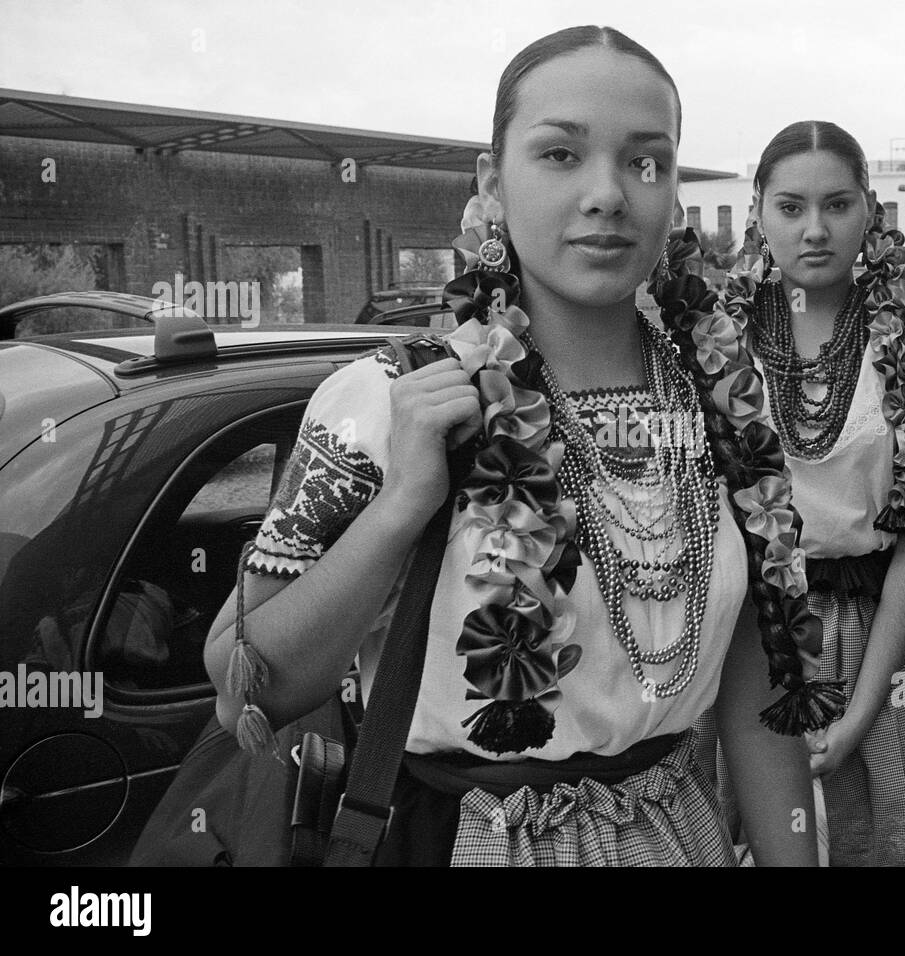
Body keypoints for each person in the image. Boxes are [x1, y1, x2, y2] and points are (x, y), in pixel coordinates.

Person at [200, 26, 823, 867]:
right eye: (560, 155)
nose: (608, 193)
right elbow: (246, 686)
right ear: (492, 183)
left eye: (645, 161)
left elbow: (760, 697)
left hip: (677, 838)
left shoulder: (725, 407)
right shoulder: (395, 401)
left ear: (673, 193)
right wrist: (398, 513)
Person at [710, 121, 905, 866]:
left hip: (879, 646)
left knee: (890, 840)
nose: (815, 229)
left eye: (837, 205)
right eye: (791, 207)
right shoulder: (709, 343)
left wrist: (863, 708)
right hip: (747, 644)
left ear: (870, 210)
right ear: (758, 212)